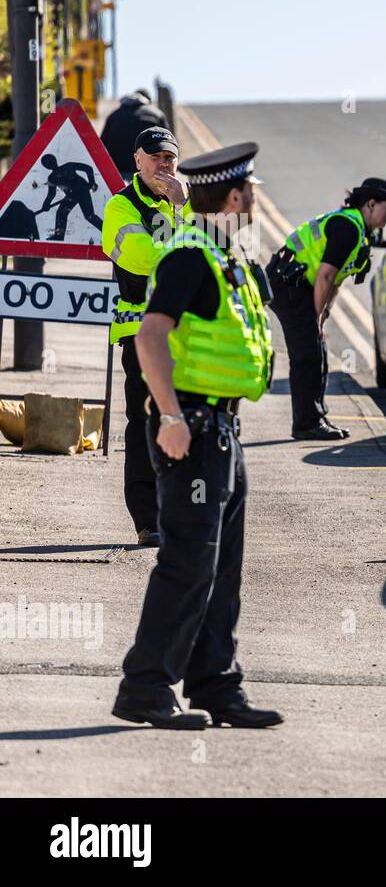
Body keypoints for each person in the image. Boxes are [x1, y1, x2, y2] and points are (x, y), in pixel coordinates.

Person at [113, 142, 281, 730]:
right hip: (193, 429)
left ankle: (216, 685)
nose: (256, 198)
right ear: (233, 196)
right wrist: (172, 418)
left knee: (221, 568)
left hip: (224, 430)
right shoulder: (189, 256)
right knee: (186, 564)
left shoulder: (223, 254)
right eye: (252, 190)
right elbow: (149, 335)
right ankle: (146, 687)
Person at [101, 127, 188, 546]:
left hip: (186, 336)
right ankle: (147, 519)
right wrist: (181, 227)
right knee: (145, 423)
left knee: (185, 422)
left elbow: (215, 252)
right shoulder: (120, 206)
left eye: (170, 158)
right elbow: (141, 259)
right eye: (155, 157)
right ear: (138, 160)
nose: (163, 165)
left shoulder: (185, 207)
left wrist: (182, 213)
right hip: (141, 335)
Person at [267, 178, 386, 439]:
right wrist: (316, 317)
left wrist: (323, 316)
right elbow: (325, 276)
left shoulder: (359, 232)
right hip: (288, 284)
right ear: (370, 204)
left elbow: (336, 281)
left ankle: (315, 417)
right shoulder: (348, 228)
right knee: (308, 354)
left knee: (318, 351)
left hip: (300, 285)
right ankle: (306, 424)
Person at [100, 90, 170, 181]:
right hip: (148, 171)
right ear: (148, 100)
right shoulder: (156, 115)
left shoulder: (114, 116)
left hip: (119, 172)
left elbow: (102, 146)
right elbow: (168, 143)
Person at [36, 153, 103, 240]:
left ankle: (108, 231)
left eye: (50, 162)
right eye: (47, 163)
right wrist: (46, 204)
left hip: (82, 190)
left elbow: (88, 168)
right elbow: (51, 194)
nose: (50, 164)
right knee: (61, 213)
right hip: (71, 195)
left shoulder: (68, 166)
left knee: (89, 216)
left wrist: (91, 182)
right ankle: (59, 236)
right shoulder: (52, 178)